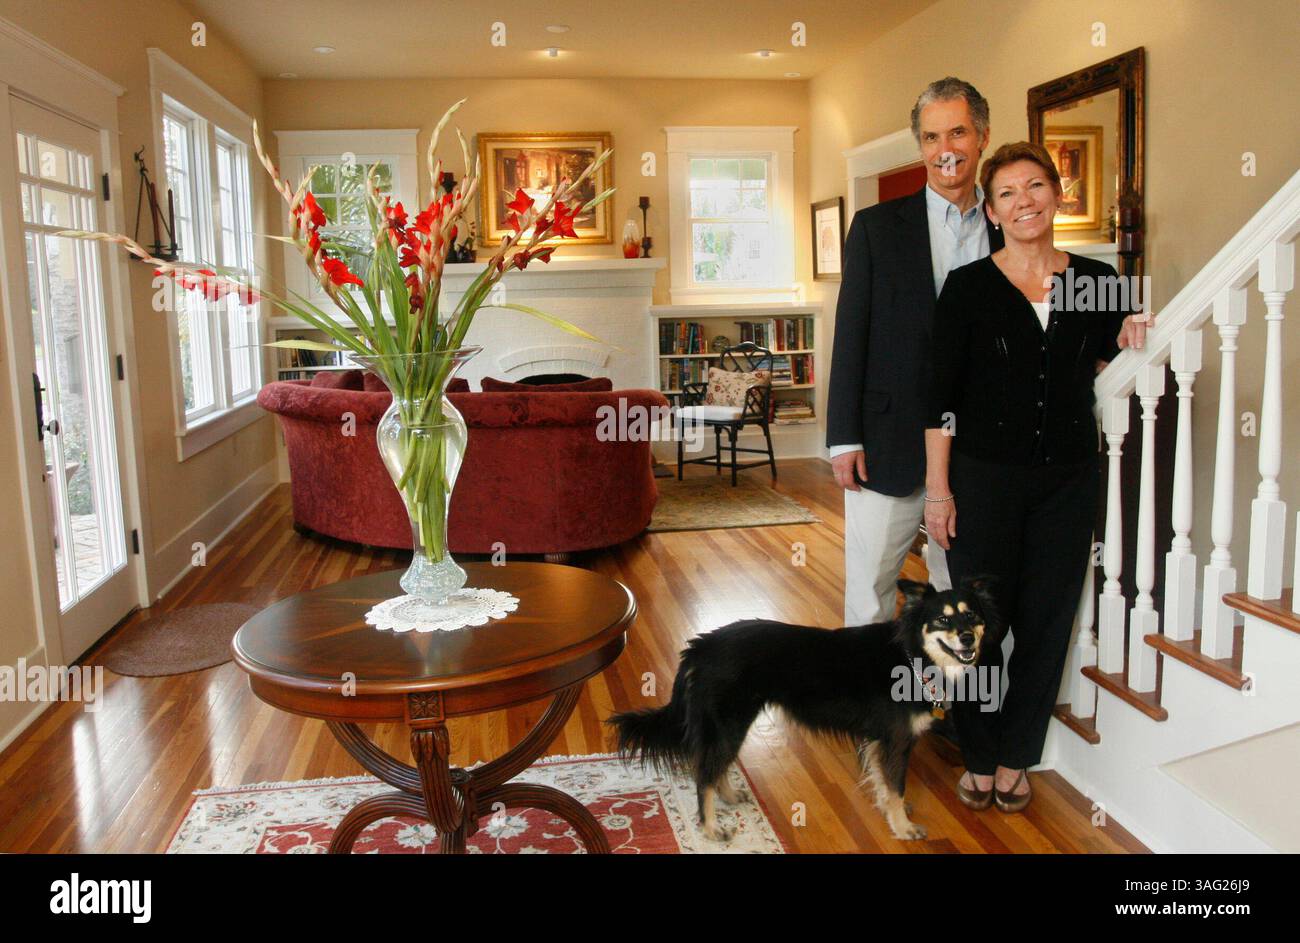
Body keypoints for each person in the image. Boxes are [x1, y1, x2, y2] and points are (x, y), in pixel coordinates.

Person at [923, 141, 1152, 812]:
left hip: (1068, 480)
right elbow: (940, 398)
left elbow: (1119, 344)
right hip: (983, 480)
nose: (1024, 201)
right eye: (1007, 194)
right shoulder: (967, 288)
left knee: (1049, 620)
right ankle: (980, 753)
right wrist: (938, 489)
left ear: (1056, 194)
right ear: (992, 212)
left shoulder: (1094, 279)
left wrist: (1136, 330)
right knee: (975, 624)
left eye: (1035, 186)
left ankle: (1017, 755)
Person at [827, 77, 1003, 629]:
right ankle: (871, 711)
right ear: (919, 145)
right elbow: (850, 334)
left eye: (957, 133)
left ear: (982, 137)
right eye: (931, 137)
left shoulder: (1008, 230)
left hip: (979, 448)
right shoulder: (877, 228)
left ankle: (951, 706)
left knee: (961, 590)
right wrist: (844, 437)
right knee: (871, 590)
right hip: (887, 444)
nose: (944, 150)